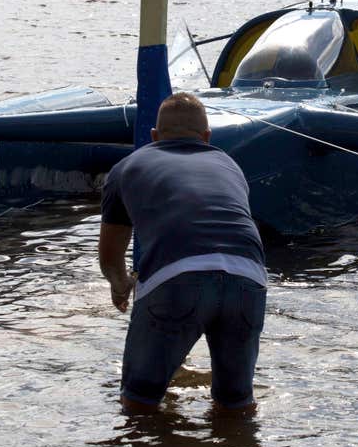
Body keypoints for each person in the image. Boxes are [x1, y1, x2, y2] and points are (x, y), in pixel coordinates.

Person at [99, 92, 267, 414]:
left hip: (176, 279)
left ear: (153, 137)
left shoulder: (126, 168)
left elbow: (110, 256)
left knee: (139, 404)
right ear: (207, 137)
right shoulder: (229, 164)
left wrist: (120, 285)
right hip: (248, 277)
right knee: (236, 406)